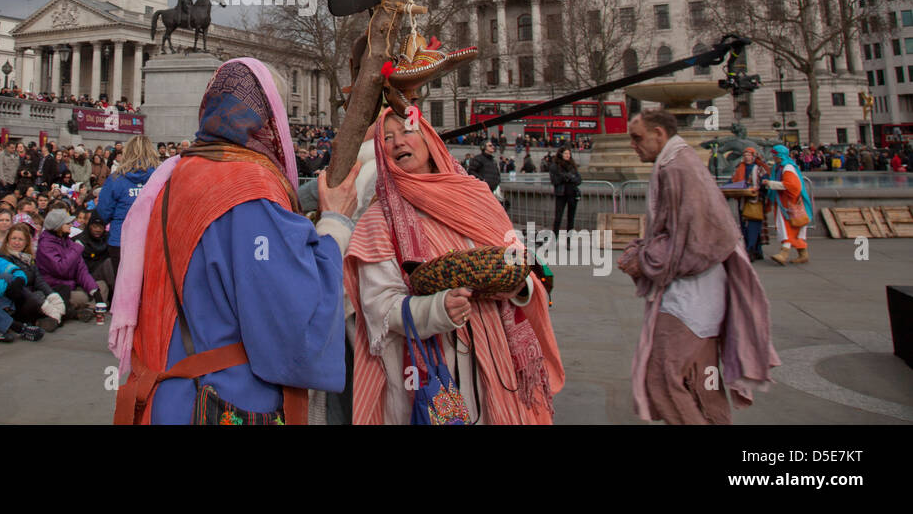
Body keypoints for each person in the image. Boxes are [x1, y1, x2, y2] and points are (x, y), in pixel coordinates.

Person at [110, 58, 356, 425]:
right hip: (222, 401)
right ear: (268, 116)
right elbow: (293, 325)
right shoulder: (249, 189)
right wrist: (336, 223)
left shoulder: (174, 175)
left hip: (162, 396)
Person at [345, 109, 562, 424]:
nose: (397, 143)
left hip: (498, 367)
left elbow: (517, 258)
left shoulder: (476, 196)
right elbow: (379, 307)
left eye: (407, 131)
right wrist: (439, 309)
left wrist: (520, 286)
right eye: (386, 138)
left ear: (430, 138)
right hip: (434, 374)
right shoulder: (378, 220)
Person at [618, 110, 779, 425]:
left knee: (662, 378)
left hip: (688, 303)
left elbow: (698, 242)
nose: (633, 145)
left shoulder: (677, 168)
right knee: (704, 377)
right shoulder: (681, 162)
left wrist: (643, 258)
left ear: (659, 134)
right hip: (707, 297)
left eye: (637, 138)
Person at [95, 135, 160, 282]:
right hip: (150, 241)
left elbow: (103, 212)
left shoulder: (115, 179)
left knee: (124, 289)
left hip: (121, 241)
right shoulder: (159, 177)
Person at [0, 223, 66, 331]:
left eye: (20, 239)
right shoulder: (4, 258)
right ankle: (60, 316)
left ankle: (54, 317)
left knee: (62, 289)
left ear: (26, 242)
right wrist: (42, 302)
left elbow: (39, 280)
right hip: (18, 300)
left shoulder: (27, 258)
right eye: (13, 238)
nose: (16, 242)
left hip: (33, 294)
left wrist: (52, 296)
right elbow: (16, 286)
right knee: (36, 298)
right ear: (8, 240)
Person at [35, 208, 103, 317]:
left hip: (72, 284)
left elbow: (81, 270)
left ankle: (88, 307)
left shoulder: (67, 241)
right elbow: (61, 269)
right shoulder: (46, 245)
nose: (71, 225)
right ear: (58, 226)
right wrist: (76, 250)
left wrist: (94, 291)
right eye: (67, 223)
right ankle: (75, 311)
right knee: (82, 297)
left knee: (100, 286)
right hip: (56, 288)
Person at [766, 144, 813, 266]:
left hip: (788, 204)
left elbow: (792, 186)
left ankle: (783, 254)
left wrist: (771, 183)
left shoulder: (787, 168)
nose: (773, 157)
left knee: (786, 228)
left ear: (779, 156)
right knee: (794, 228)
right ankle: (803, 254)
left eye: (774, 155)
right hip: (787, 203)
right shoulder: (781, 167)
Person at [728, 147, 769, 261]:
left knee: (753, 226)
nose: (746, 157)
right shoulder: (739, 168)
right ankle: (754, 250)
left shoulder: (759, 168)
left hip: (755, 201)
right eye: (745, 155)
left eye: (749, 155)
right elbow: (733, 180)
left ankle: (752, 249)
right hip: (743, 200)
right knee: (745, 226)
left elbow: (765, 181)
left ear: (753, 156)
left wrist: (759, 188)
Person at [549, 146, 581, 234]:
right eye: (566, 153)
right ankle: (554, 240)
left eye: (569, 153)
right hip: (561, 194)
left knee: (571, 219)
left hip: (572, 194)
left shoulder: (572, 165)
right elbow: (554, 180)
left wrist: (570, 178)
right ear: (561, 154)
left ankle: (569, 241)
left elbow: (579, 180)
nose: (568, 155)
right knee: (558, 218)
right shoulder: (555, 166)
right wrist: (565, 177)